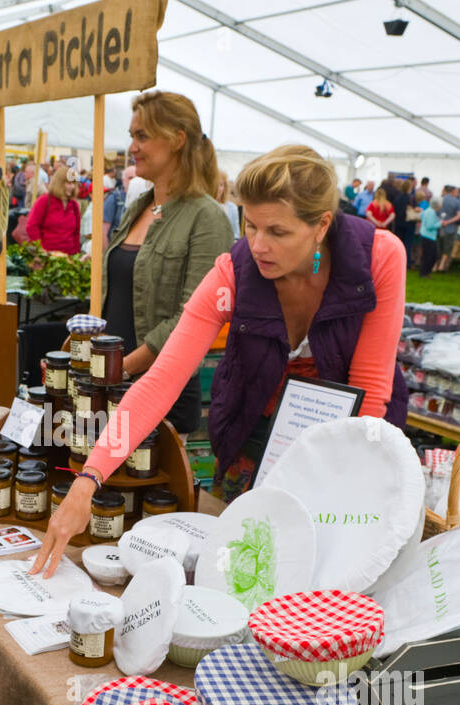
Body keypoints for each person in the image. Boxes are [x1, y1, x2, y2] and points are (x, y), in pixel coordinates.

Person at [32, 144, 408, 574]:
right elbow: (159, 383)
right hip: (252, 433)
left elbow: (372, 389)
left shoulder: (378, 257)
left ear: (321, 224)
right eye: (250, 225)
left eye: (277, 232)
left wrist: (335, 487)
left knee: (325, 567)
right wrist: (89, 478)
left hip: (351, 441)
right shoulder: (233, 271)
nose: (259, 245)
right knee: (249, 568)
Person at [99, 90, 233, 437]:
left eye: (142, 136)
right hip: (111, 385)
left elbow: (193, 316)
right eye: (132, 136)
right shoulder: (138, 208)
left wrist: (123, 367)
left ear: (177, 139)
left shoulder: (207, 218)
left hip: (160, 393)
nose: (133, 147)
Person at [26, 162, 80, 254]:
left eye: (74, 183)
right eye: (69, 183)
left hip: (69, 257)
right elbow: (31, 227)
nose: (72, 187)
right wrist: (41, 251)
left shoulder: (74, 205)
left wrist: (76, 253)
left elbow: (76, 233)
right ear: (59, 183)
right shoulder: (44, 201)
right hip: (47, 256)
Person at [435, 185, 460, 272]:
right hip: (450, 228)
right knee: (447, 248)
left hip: (438, 227)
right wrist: (449, 221)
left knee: (438, 247)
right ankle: (441, 266)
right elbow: (459, 215)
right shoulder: (456, 202)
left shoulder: (440, 199)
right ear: (453, 192)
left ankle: (435, 266)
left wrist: (441, 221)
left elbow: (435, 213)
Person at [418, 199, 440, 277]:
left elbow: (421, 216)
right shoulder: (431, 212)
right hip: (429, 236)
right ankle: (425, 272)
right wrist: (440, 224)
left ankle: (424, 272)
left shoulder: (428, 210)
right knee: (431, 256)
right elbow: (429, 226)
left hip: (425, 235)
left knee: (427, 255)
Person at [216, 170, 241, 239]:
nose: (218, 188)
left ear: (225, 187)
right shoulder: (204, 206)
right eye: (215, 184)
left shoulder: (232, 208)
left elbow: (236, 235)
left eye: (221, 185)